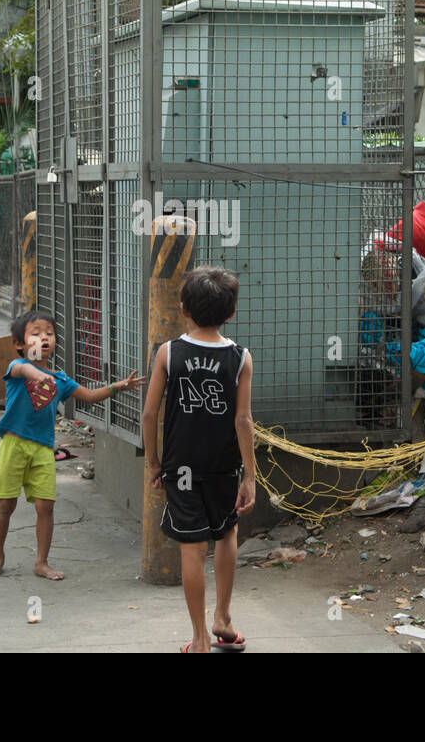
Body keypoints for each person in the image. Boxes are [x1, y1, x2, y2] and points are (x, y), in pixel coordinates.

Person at [141, 267, 256, 653]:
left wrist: (153, 463)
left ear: (183, 309)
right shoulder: (241, 358)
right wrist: (250, 477)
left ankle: (200, 638)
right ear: (232, 312)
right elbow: (243, 420)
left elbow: (149, 414)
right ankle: (222, 617)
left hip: (182, 467)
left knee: (192, 548)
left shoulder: (169, 352)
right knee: (226, 533)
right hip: (223, 466)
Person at [0, 310, 144, 580]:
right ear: (19, 344)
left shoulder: (60, 379)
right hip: (14, 445)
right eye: (35, 334)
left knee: (46, 506)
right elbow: (24, 368)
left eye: (49, 333)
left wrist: (119, 386)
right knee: (5, 505)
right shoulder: (17, 368)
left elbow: (90, 396)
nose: (44, 338)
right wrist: (36, 374)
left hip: (44, 448)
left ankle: (41, 562)